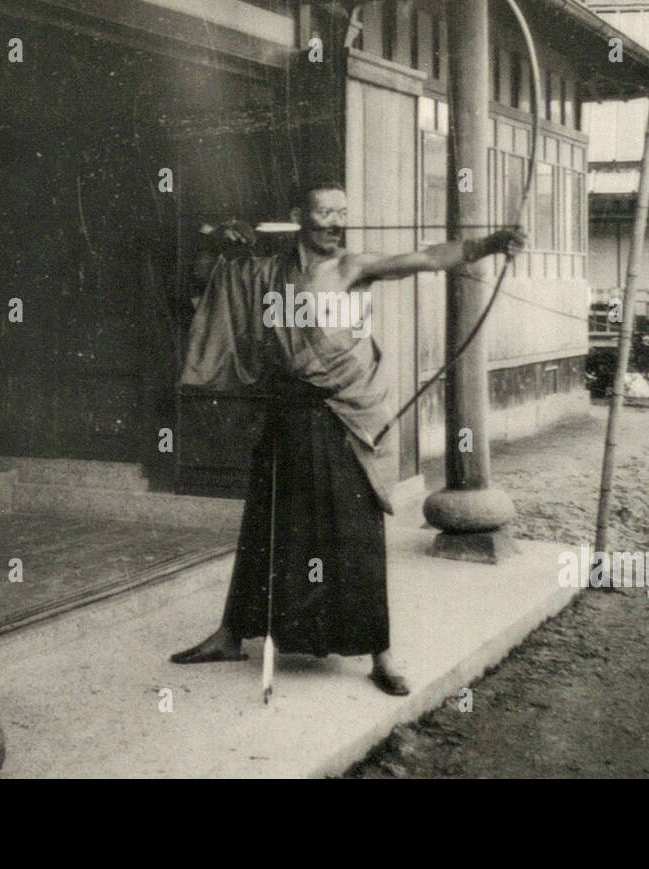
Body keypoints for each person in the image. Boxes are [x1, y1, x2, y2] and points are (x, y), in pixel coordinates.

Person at [170, 181, 524, 696]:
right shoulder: (268, 271)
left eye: (342, 212)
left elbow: (424, 257)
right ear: (299, 216)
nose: (336, 222)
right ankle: (231, 633)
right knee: (267, 525)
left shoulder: (354, 268)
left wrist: (488, 244)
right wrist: (220, 242)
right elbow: (208, 277)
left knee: (355, 531)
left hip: (344, 418)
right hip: (287, 414)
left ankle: (381, 655)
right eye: (324, 212)